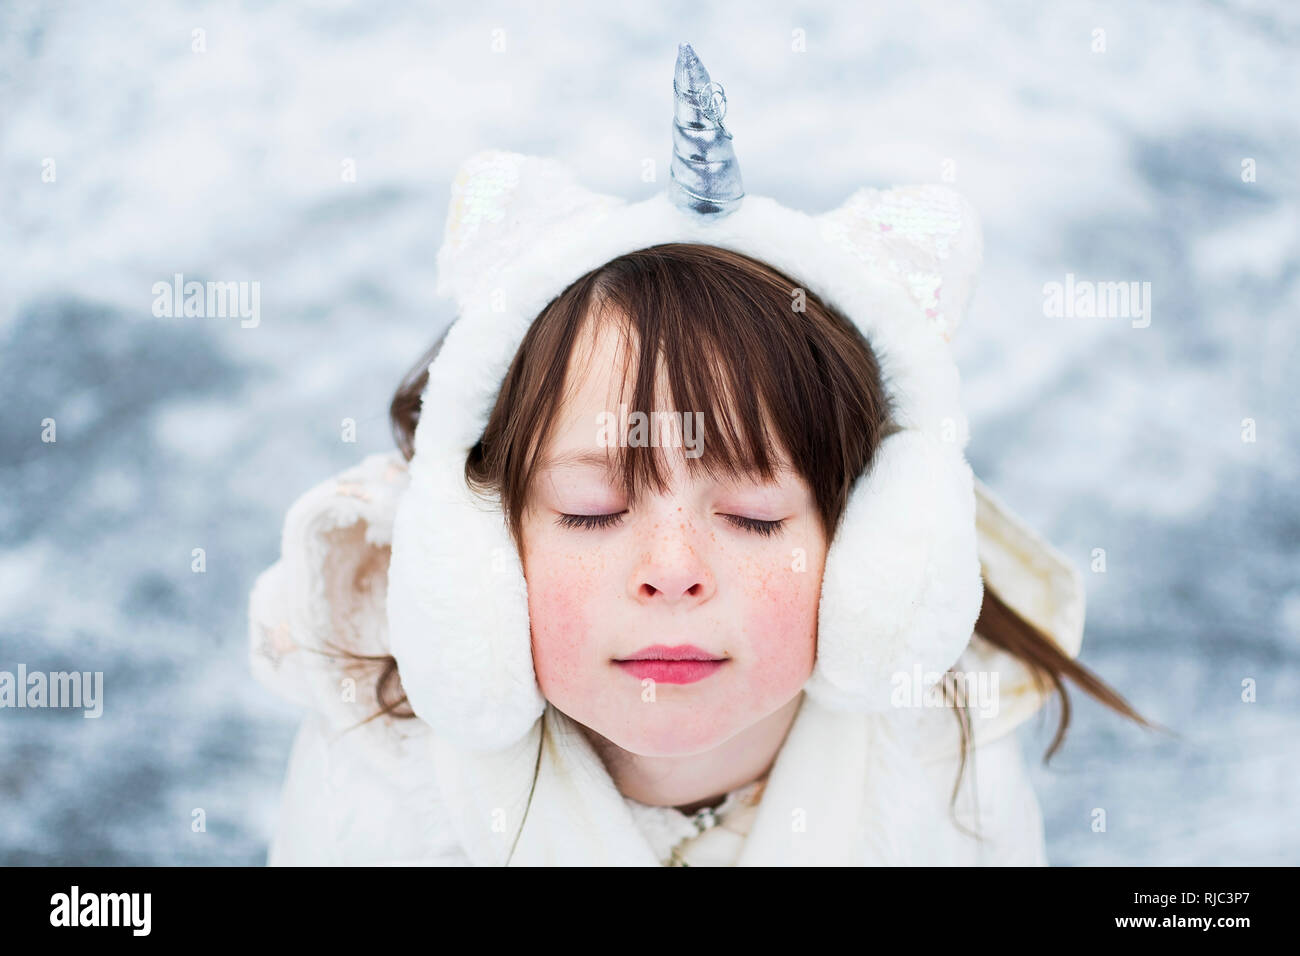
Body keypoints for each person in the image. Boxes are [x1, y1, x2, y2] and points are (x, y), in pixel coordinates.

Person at [248, 43, 1151, 866]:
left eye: (755, 517)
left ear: (868, 543)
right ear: (480, 542)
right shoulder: (377, 789)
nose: (672, 572)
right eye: (592, 510)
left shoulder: (952, 777)